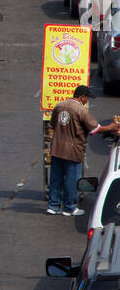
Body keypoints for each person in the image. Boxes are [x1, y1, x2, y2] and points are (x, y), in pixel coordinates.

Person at [47, 85, 120, 217]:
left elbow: (51, 125)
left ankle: (53, 206)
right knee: (72, 179)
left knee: (56, 178)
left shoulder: (59, 106)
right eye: (86, 98)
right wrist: (111, 126)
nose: (86, 101)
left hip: (57, 149)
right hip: (73, 150)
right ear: (82, 97)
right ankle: (69, 207)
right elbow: (95, 129)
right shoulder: (80, 110)